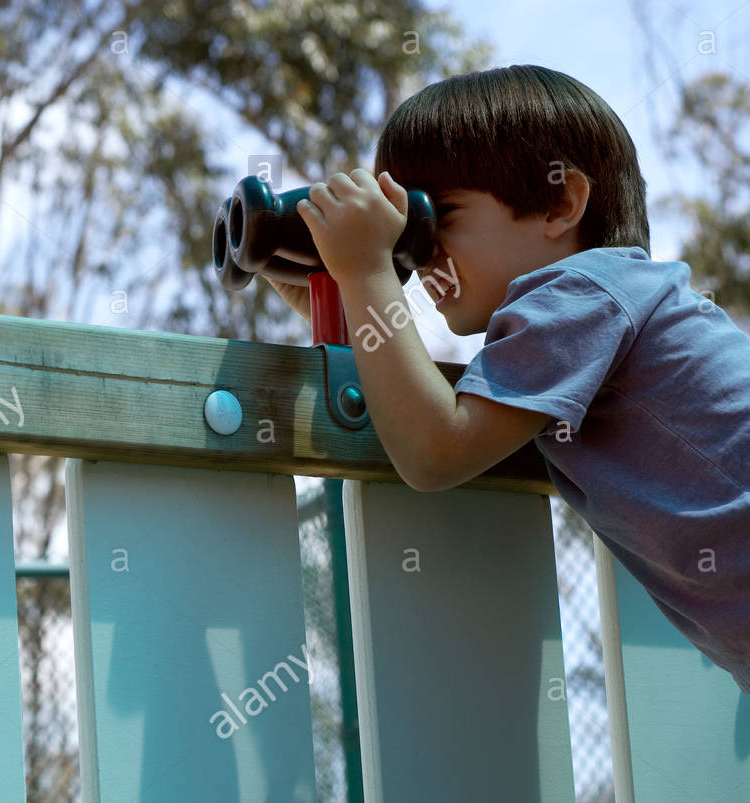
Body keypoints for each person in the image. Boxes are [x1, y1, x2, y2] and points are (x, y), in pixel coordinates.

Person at [266, 64, 750, 694]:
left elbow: (435, 450)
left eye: (440, 218)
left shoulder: (580, 292)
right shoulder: (599, 314)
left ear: (559, 202)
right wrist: (349, 299)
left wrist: (363, 275)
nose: (419, 254)